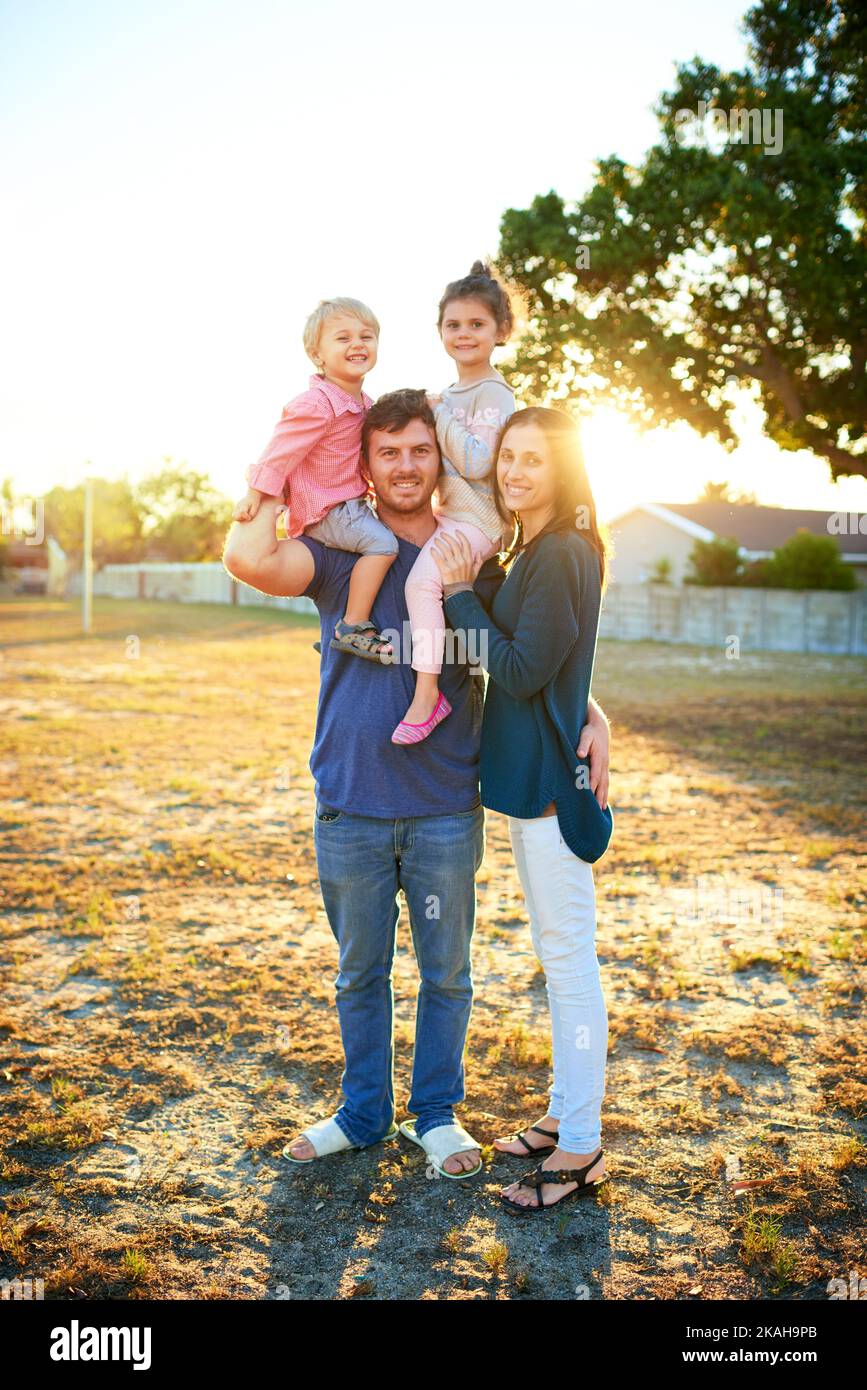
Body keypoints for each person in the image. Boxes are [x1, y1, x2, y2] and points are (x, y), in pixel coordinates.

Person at [221, 390, 611, 1179]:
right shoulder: (341, 553)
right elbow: (247, 558)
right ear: (363, 464)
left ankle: (434, 1115)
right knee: (358, 974)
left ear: (440, 463)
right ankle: (361, 1114)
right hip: (350, 803)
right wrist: (277, 468)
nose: (405, 465)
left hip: (443, 806)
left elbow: (531, 647)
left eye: (419, 451)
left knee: (447, 976)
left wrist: (592, 709)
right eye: (387, 451)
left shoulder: (470, 555)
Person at [433, 406, 613, 1213]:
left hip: (549, 791)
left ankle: (580, 1148)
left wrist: (458, 596)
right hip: (527, 782)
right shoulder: (532, 548)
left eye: (534, 460)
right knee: (556, 955)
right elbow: (554, 659)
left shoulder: (565, 551)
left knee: (569, 964)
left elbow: (515, 668)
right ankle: (560, 1114)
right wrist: (594, 707)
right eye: (507, 457)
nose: (514, 472)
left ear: (563, 471)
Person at [392, 262, 516, 745]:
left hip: (480, 519)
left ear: (500, 330)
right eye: (454, 325)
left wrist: (440, 412)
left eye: (477, 324)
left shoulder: (494, 393)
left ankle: (429, 696)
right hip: (453, 516)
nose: (464, 334)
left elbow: (479, 462)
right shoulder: (450, 393)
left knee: (422, 585)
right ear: (440, 331)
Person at [232, 296, 397, 661]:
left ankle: (336, 627)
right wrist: (255, 494)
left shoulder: (365, 405)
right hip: (329, 511)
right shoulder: (317, 403)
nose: (357, 344)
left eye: (366, 336)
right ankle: (351, 625)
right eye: (343, 338)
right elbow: (280, 450)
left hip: (351, 507)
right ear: (317, 354)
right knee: (384, 546)